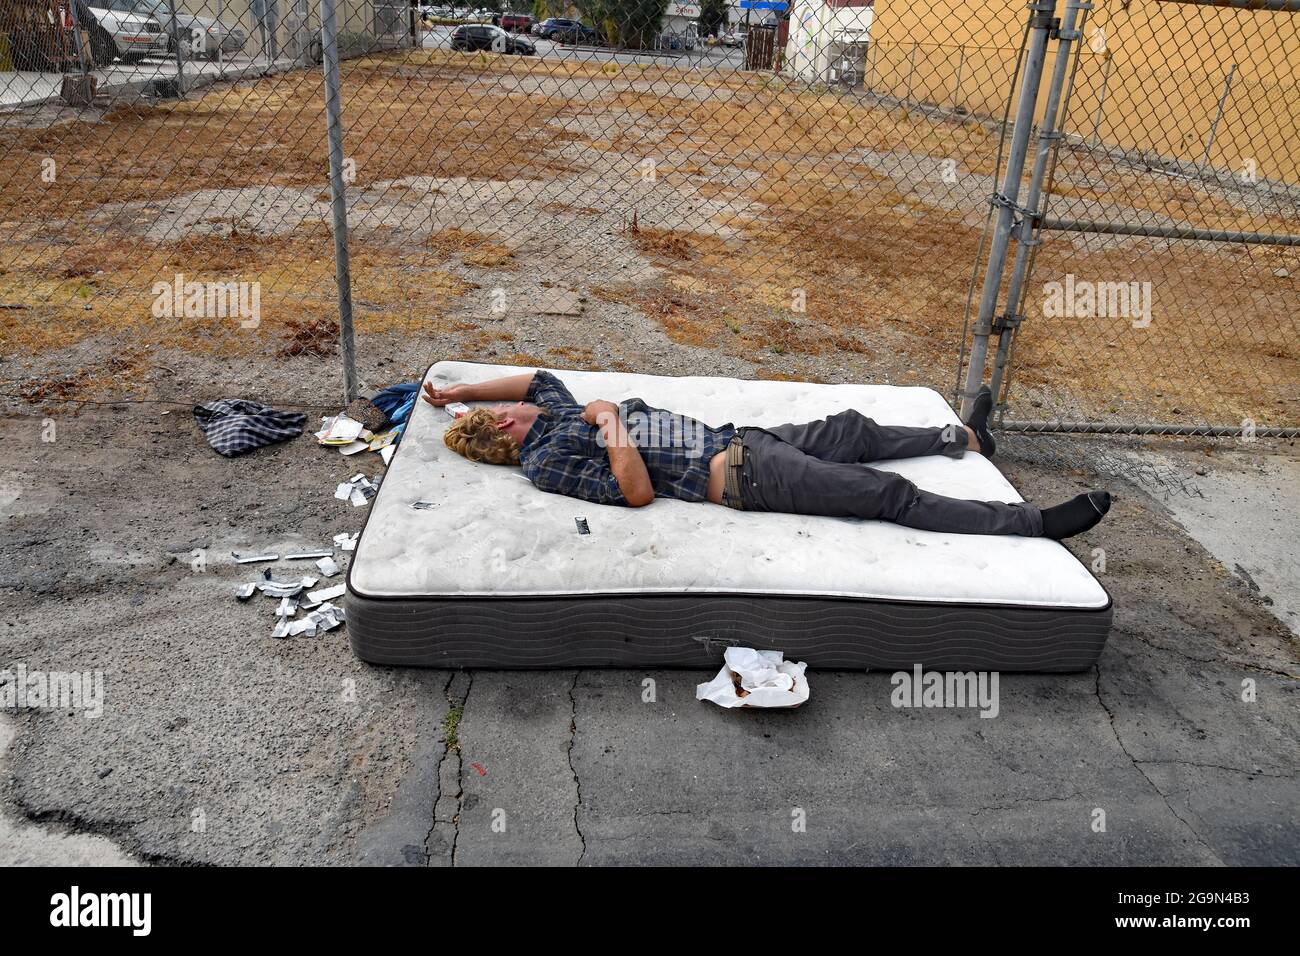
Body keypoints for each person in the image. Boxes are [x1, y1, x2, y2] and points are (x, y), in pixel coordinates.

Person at [426, 370, 1111, 539]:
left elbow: (529, 380)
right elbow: (633, 491)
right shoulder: (549, 460)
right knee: (883, 495)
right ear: (505, 436)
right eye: (504, 412)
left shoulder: (548, 406)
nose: (519, 401)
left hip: (741, 438)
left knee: (854, 429)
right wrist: (610, 422)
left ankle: (964, 439)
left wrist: (459, 389)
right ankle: (1032, 523)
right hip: (741, 477)